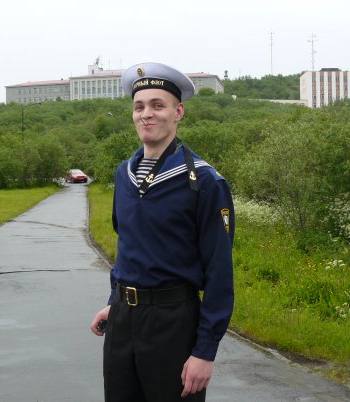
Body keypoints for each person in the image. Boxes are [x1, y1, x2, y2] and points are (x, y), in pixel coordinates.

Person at [90, 61, 235, 402]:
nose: (146, 114)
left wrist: (205, 351)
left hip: (174, 322)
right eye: (139, 106)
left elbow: (219, 273)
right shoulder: (123, 174)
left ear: (178, 112)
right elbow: (128, 246)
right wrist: (114, 303)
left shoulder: (204, 181)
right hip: (123, 321)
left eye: (158, 105)